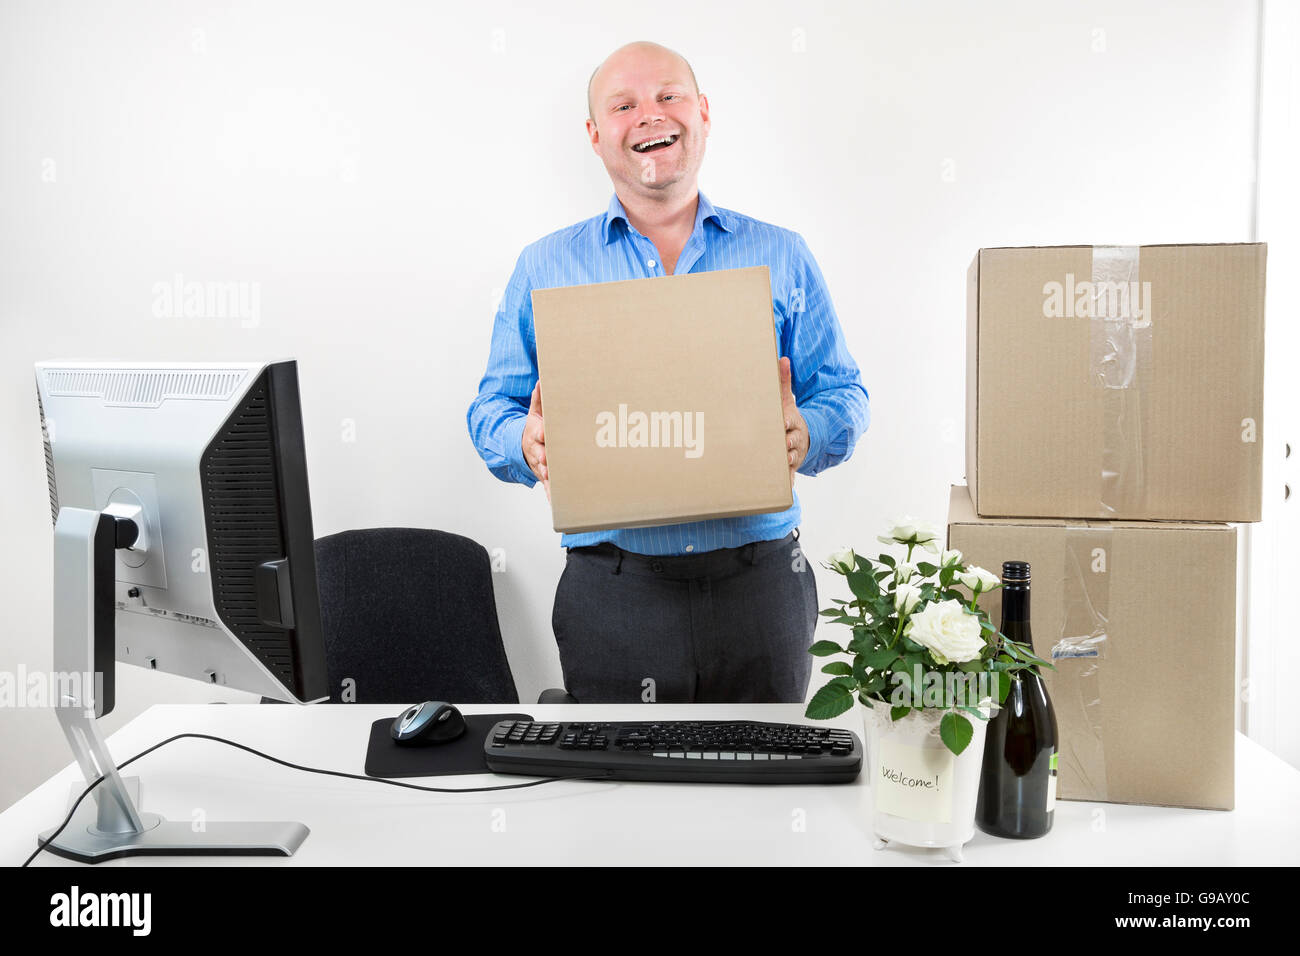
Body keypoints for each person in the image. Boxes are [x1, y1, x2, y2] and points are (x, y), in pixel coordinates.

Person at [467, 41, 869, 703]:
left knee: (761, 790)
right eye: (624, 105)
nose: (650, 114)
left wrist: (810, 432)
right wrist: (523, 442)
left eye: (669, 96)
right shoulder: (542, 268)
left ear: (703, 113)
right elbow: (493, 409)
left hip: (759, 587)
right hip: (612, 592)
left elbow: (844, 391)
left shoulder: (781, 254)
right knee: (620, 799)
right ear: (596, 137)